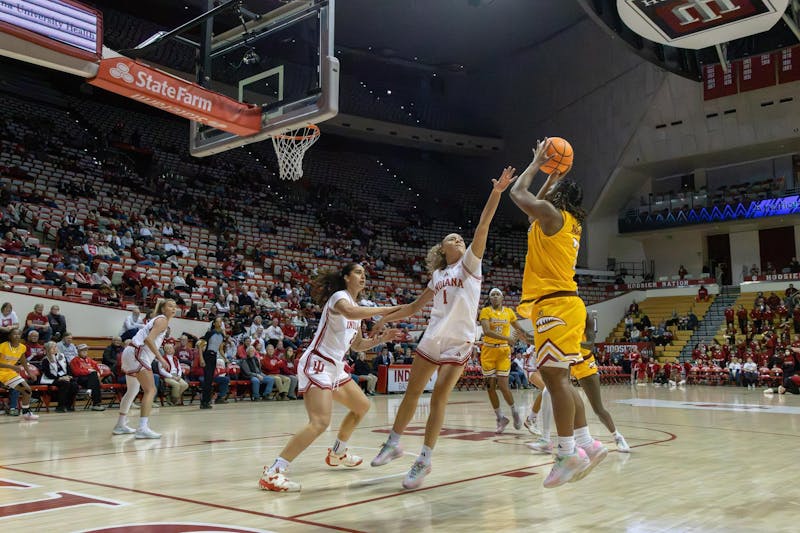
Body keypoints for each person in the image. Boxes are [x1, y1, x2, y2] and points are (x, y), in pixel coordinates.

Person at [369, 166, 515, 490]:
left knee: (438, 398)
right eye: (453, 238)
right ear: (443, 249)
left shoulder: (470, 264)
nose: (460, 239)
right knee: (412, 392)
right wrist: (384, 318)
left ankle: (424, 459)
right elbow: (411, 308)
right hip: (433, 337)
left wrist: (496, 192)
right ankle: (394, 441)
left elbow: (483, 225)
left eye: (461, 238)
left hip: (460, 340)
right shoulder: (437, 276)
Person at [509, 138, 606, 487]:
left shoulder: (551, 216)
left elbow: (518, 194)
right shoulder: (566, 222)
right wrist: (554, 175)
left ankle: (566, 453)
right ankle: (586, 443)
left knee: (556, 381)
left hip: (555, 305)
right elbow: (540, 200)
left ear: (558, 200)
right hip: (566, 303)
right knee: (561, 380)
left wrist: (536, 163)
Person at [260, 263, 399, 493]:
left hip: (335, 367)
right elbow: (351, 313)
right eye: (358, 272)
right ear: (346, 277)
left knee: (361, 406)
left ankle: (337, 452)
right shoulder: (339, 298)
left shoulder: (356, 309)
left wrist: (381, 339)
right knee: (320, 422)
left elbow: (357, 345)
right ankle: (273, 471)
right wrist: (383, 310)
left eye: (365, 274)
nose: (363, 276)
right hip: (317, 363)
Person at [528, 309, 630, 453]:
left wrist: (569, 342)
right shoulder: (562, 314)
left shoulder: (587, 316)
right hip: (568, 362)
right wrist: (528, 338)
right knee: (547, 392)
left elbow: (589, 345)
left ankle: (617, 437)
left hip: (585, 364)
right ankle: (546, 439)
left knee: (598, 409)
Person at [112, 299, 176, 438]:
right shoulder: (162, 320)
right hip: (138, 353)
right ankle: (142, 428)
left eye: (175, 306)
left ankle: (120, 425)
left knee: (132, 390)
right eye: (170, 306)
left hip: (130, 352)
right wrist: (160, 358)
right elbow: (148, 339)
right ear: (163, 309)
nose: (174, 308)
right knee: (151, 389)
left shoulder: (157, 320)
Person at [478, 287, 532, 433]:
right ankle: (500, 417)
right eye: (492, 295)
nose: (495, 297)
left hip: (503, 352)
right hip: (488, 350)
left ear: (502, 298)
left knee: (503, 385)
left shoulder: (509, 312)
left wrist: (531, 337)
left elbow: (519, 329)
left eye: (497, 294)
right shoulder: (486, 311)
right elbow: (487, 331)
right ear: (490, 298)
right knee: (490, 387)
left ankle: (514, 412)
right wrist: (508, 338)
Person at [0, 328, 39, 420]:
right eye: (14, 334)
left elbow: (23, 361)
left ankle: (25, 412)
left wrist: (29, 373)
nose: (17, 336)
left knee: (27, 390)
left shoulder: (22, 347)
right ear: (10, 336)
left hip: (9, 374)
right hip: (1, 372)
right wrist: (12, 367)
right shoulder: (2, 346)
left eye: (18, 334)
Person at [40, 341, 78, 412]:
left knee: (74, 384)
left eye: (55, 347)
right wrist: (59, 378)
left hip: (64, 377)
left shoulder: (62, 356)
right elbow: (47, 374)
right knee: (65, 384)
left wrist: (69, 376)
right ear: (48, 349)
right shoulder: (45, 360)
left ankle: (68, 405)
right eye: (52, 347)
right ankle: (60, 406)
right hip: (51, 379)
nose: (54, 348)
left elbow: (68, 368)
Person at [198, 317, 226, 409]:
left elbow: (220, 349)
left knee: (210, 380)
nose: (219, 323)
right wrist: (201, 359)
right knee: (207, 380)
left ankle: (207, 401)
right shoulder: (210, 333)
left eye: (221, 321)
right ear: (214, 323)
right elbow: (200, 345)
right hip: (207, 355)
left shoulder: (222, 335)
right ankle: (204, 402)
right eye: (217, 321)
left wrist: (225, 358)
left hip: (214, 356)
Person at [70, 344, 107, 411]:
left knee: (94, 378)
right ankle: (96, 404)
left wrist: (94, 372)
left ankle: (90, 391)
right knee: (95, 380)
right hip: (80, 379)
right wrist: (88, 371)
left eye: (86, 350)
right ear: (78, 352)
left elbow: (97, 368)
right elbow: (76, 372)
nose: (85, 352)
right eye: (82, 350)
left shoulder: (89, 360)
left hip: (91, 379)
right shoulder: (74, 360)